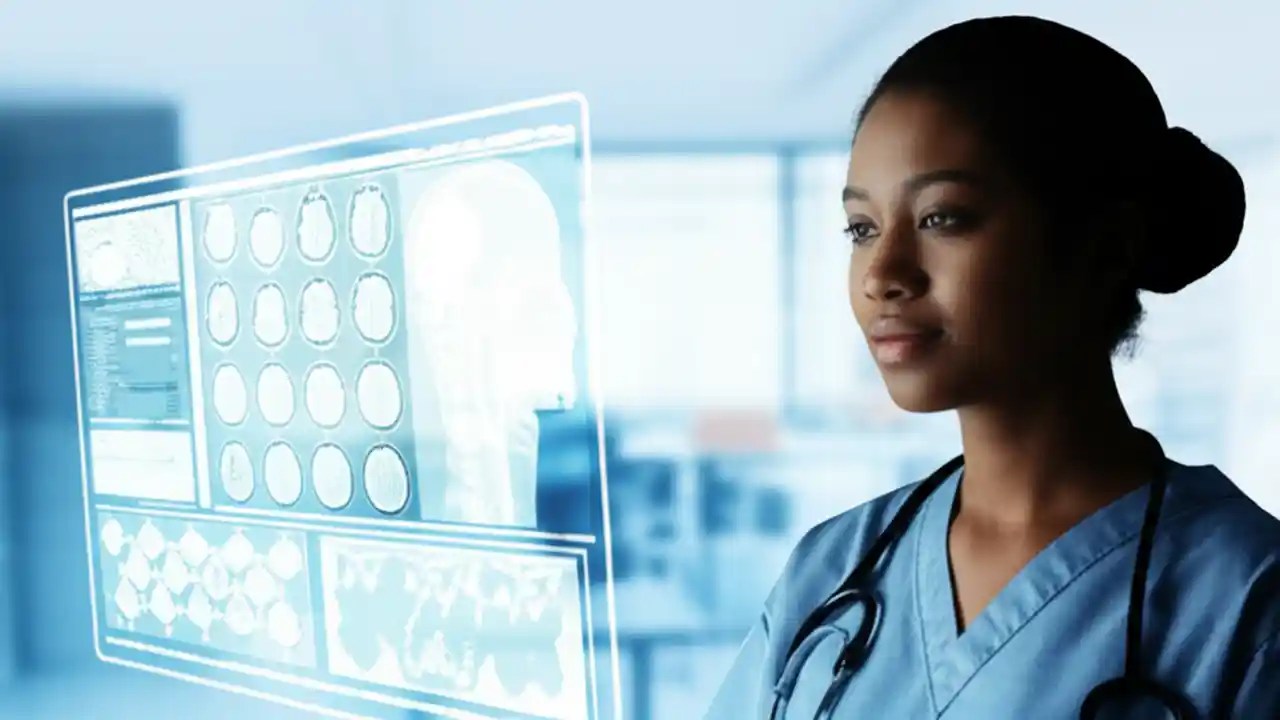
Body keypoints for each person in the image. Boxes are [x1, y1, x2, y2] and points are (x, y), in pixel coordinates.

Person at [705, 15, 1279, 719]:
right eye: (862, 228)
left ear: (1104, 244)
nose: (882, 274)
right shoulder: (832, 568)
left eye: (943, 218)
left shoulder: (1246, 600)